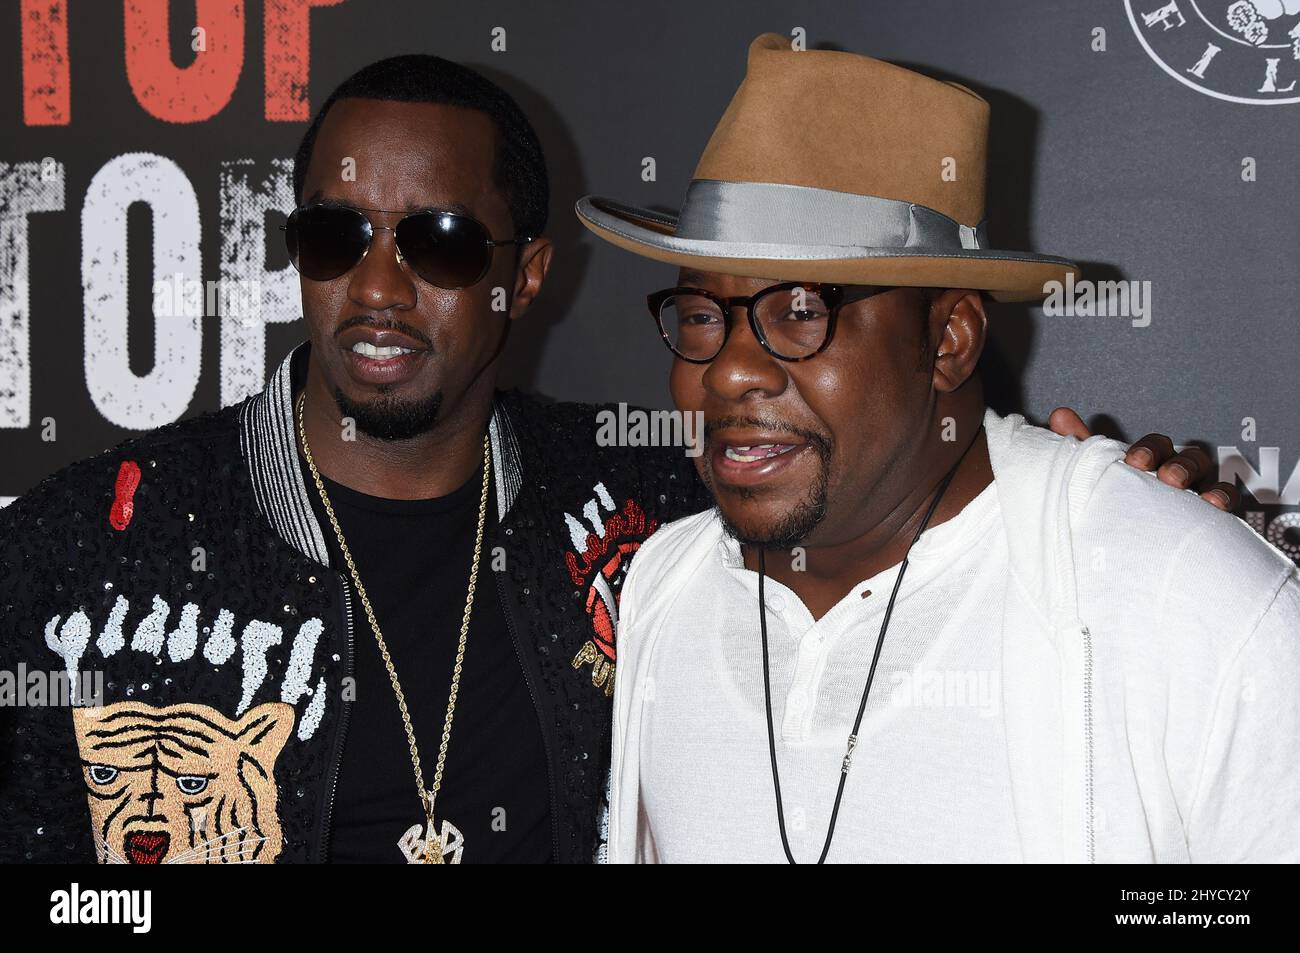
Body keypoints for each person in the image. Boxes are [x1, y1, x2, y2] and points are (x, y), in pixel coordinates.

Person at [0, 52, 1227, 865]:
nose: (375, 287)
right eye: (333, 233)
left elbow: (895, 487)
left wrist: (1149, 526)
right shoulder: (83, 548)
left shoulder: (654, 509)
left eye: (435, 240)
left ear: (524, 274)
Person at [581, 34, 1300, 863]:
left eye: (803, 309)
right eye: (704, 316)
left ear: (950, 338)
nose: (729, 371)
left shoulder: (1175, 597)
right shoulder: (662, 591)